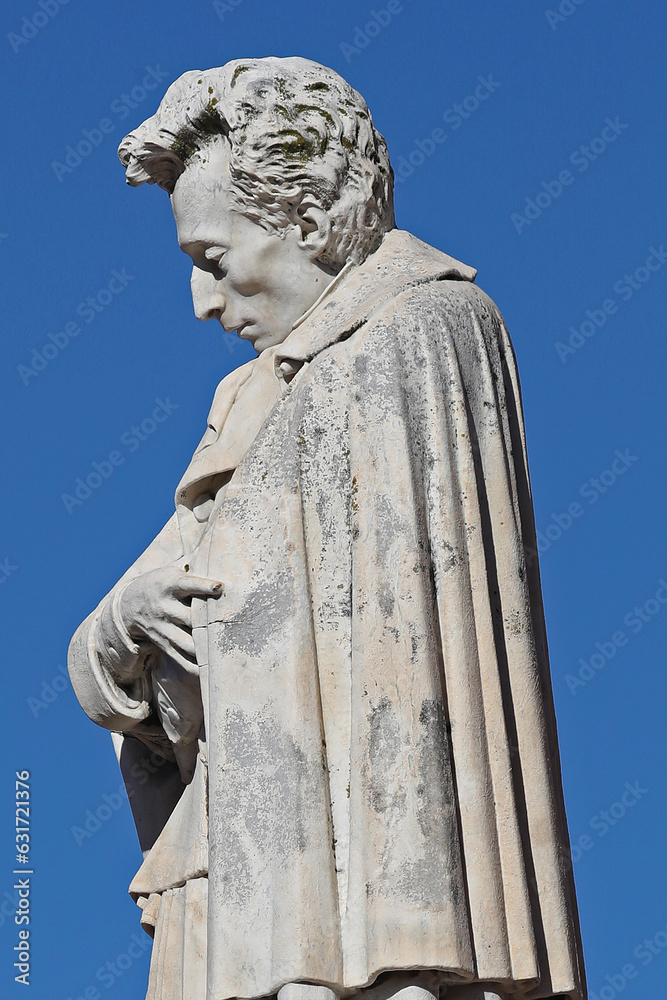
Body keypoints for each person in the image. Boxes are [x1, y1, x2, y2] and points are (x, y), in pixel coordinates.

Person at [68, 57, 586, 1000]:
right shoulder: (246, 401)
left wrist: (409, 946)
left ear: (306, 220)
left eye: (212, 260)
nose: (204, 305)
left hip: (373, 908)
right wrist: (126, 622)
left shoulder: (426, 327)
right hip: (246, 867)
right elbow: (108, 640)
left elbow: (421, 667)